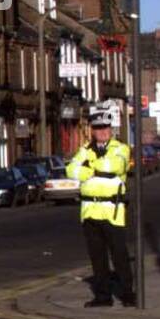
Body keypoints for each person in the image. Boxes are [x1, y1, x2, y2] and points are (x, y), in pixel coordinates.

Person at [66, 109, 135, 308]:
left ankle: (127, 294)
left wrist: (90, 168)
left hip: (112, 211)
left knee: (119, 255)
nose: (102, 131)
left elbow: (116, 166)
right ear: (92, 130)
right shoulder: (85, 149)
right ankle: (103, 296)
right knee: (97, 258)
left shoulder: (120, 148)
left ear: (110, 129)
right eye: (98, 128)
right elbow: (71, 169)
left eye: (105, 127)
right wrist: (89, 168)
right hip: (89, 211)